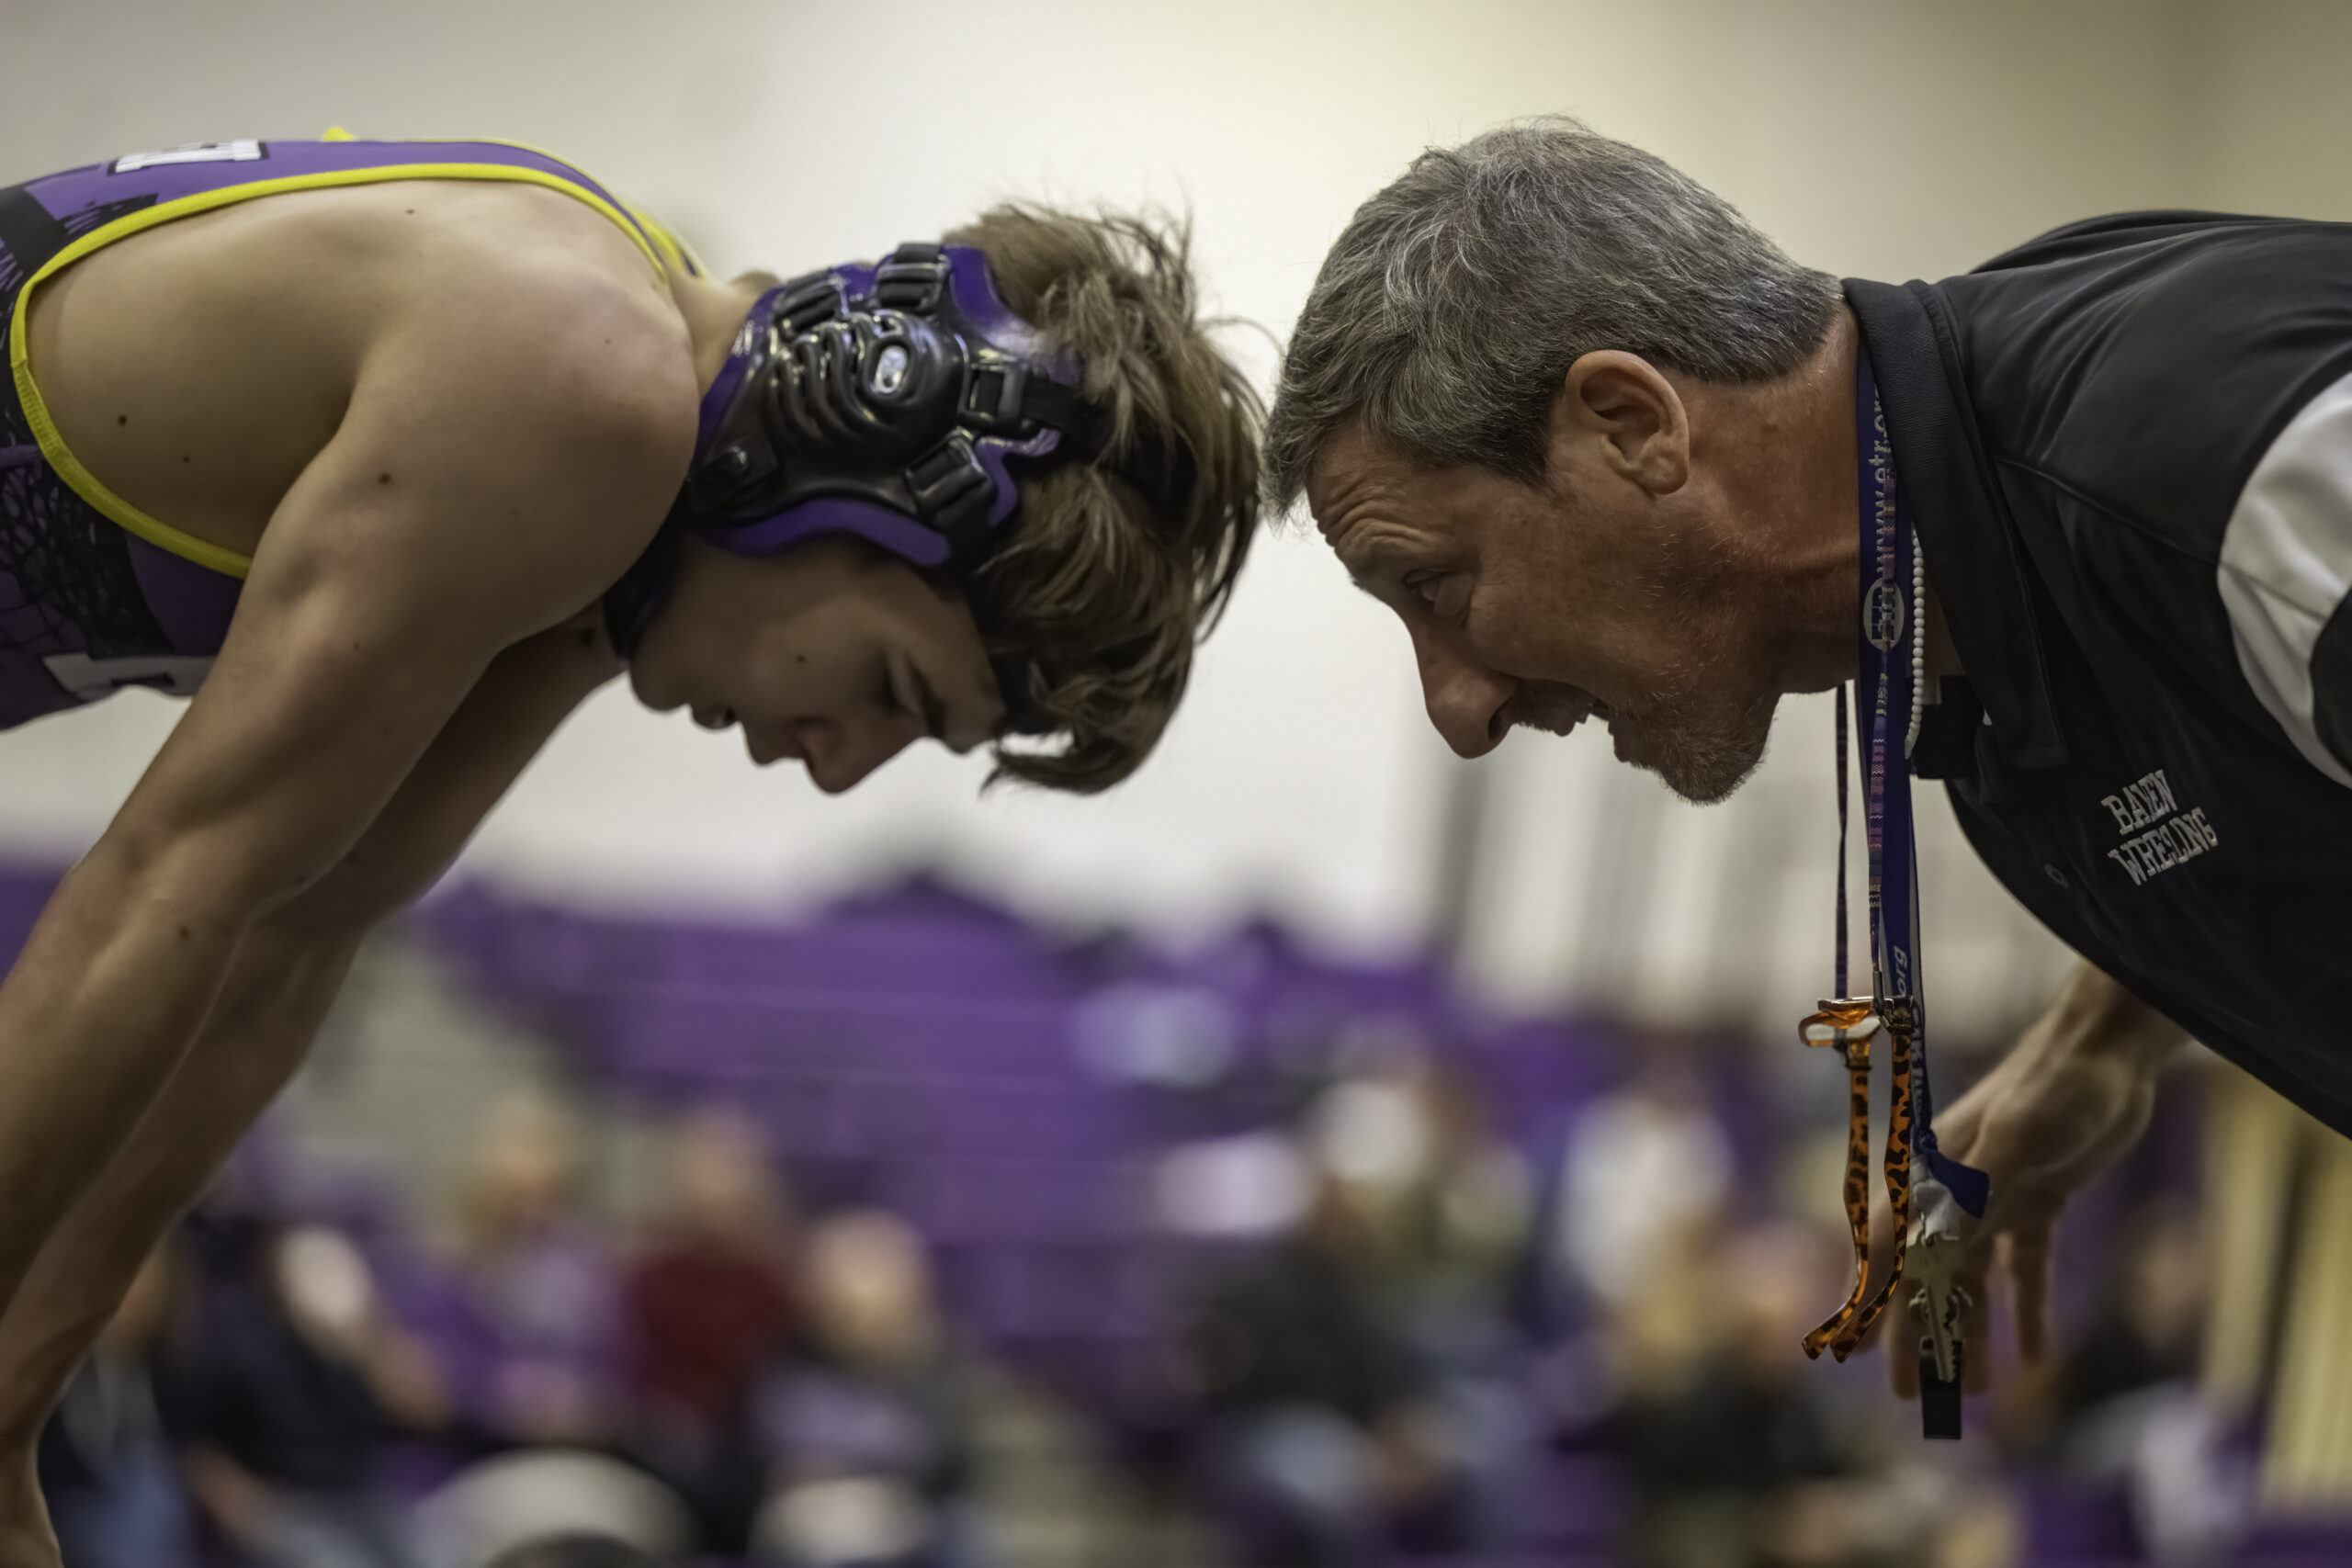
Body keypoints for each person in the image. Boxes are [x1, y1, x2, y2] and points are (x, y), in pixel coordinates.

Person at [0, 131, 1260, 1566]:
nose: (838, 767)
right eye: (891, 692)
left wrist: (18, 1400)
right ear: (850, 446)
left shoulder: (621, 540)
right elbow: (168, 881)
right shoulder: (581, 375)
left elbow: (290, 944)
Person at [1264, 117, 2352, 1394]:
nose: (1458, 708)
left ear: (1632, 424)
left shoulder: (2214, 465)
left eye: (1440, 588)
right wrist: (2108, 1019)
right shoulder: (1972, 584)